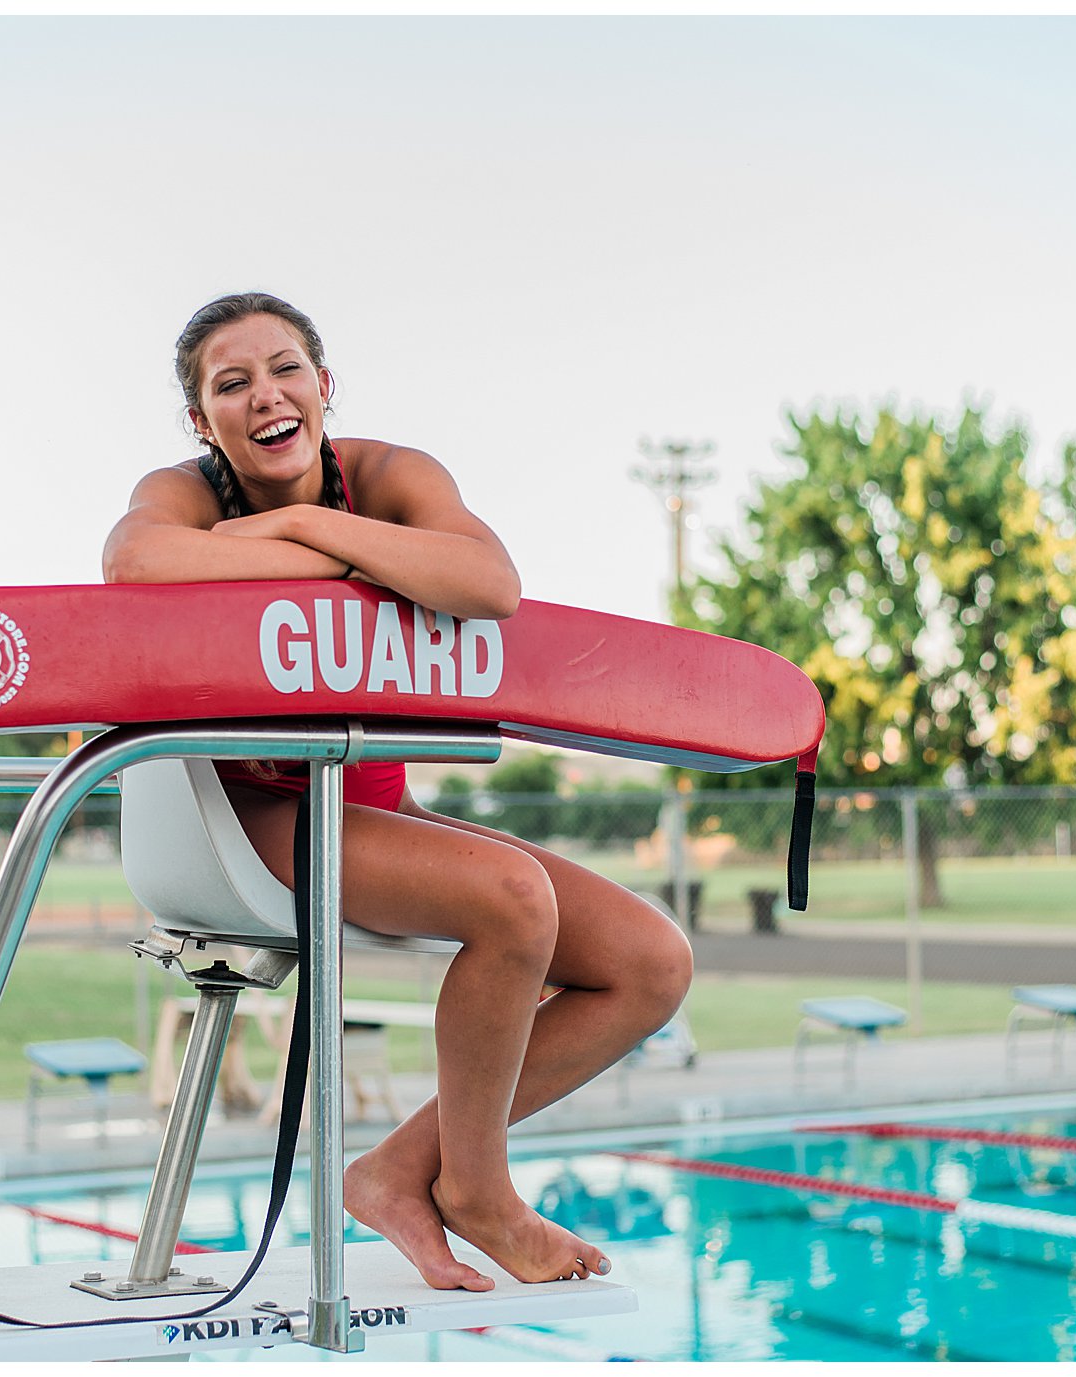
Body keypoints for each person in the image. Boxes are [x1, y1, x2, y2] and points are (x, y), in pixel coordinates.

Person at [102, 292, 694, 1290]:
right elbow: (132, 560)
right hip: (252, 823)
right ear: (202, 422)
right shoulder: (182, 491)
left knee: (649, 964)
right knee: (513, 902)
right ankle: (481, 1194)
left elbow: (487, 582)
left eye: (285, 369)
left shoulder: (389, 473)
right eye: (230, 384)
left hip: (372, 808)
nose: (264, 395)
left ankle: (402, 1173)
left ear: (324, 387)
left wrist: (293, 525)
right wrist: (351, 551)